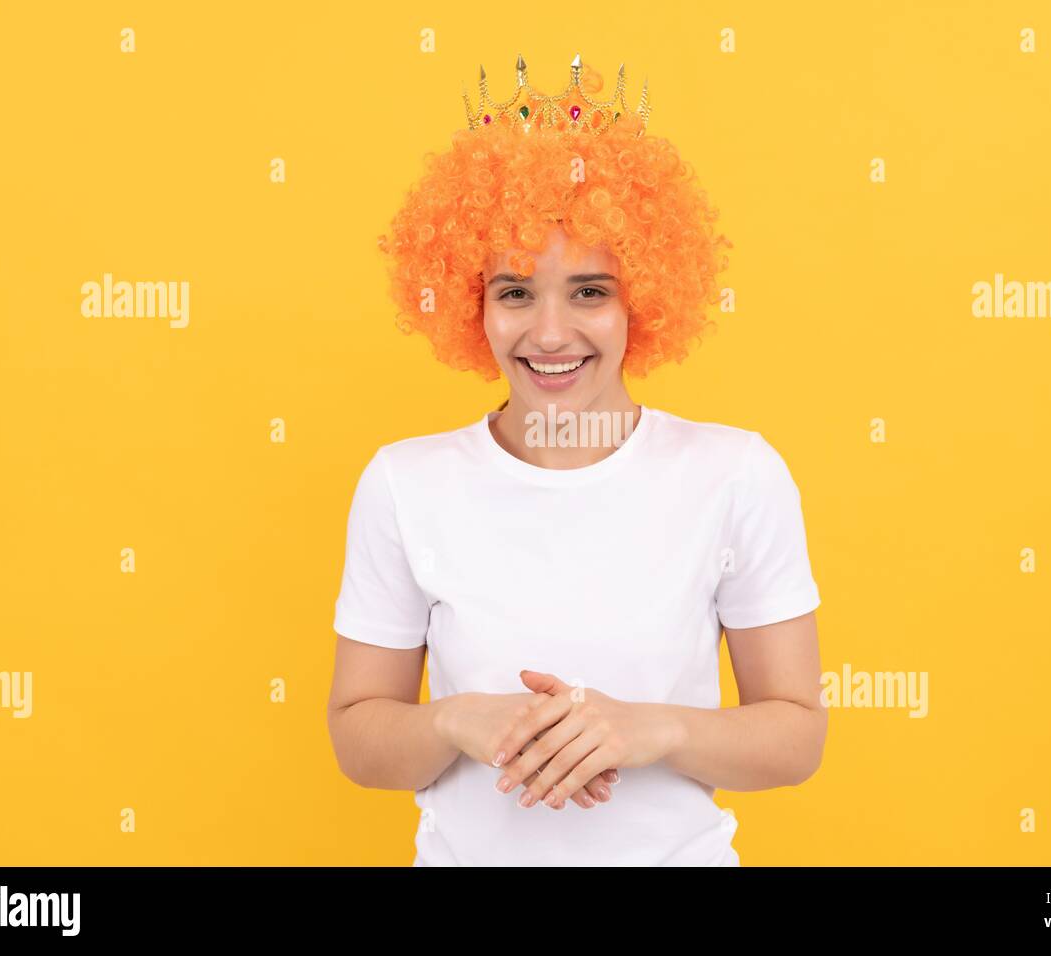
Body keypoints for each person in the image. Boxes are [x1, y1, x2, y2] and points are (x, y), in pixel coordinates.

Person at [327, 54, 826, 866]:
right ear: (471, 303)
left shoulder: (735, 474)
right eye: (515, 292)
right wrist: (455, 721)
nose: (551, 333)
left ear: (644, 298)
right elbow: (358, 734)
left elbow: (797, 731)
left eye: (590, 291)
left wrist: (650, 728)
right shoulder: (404, 483)